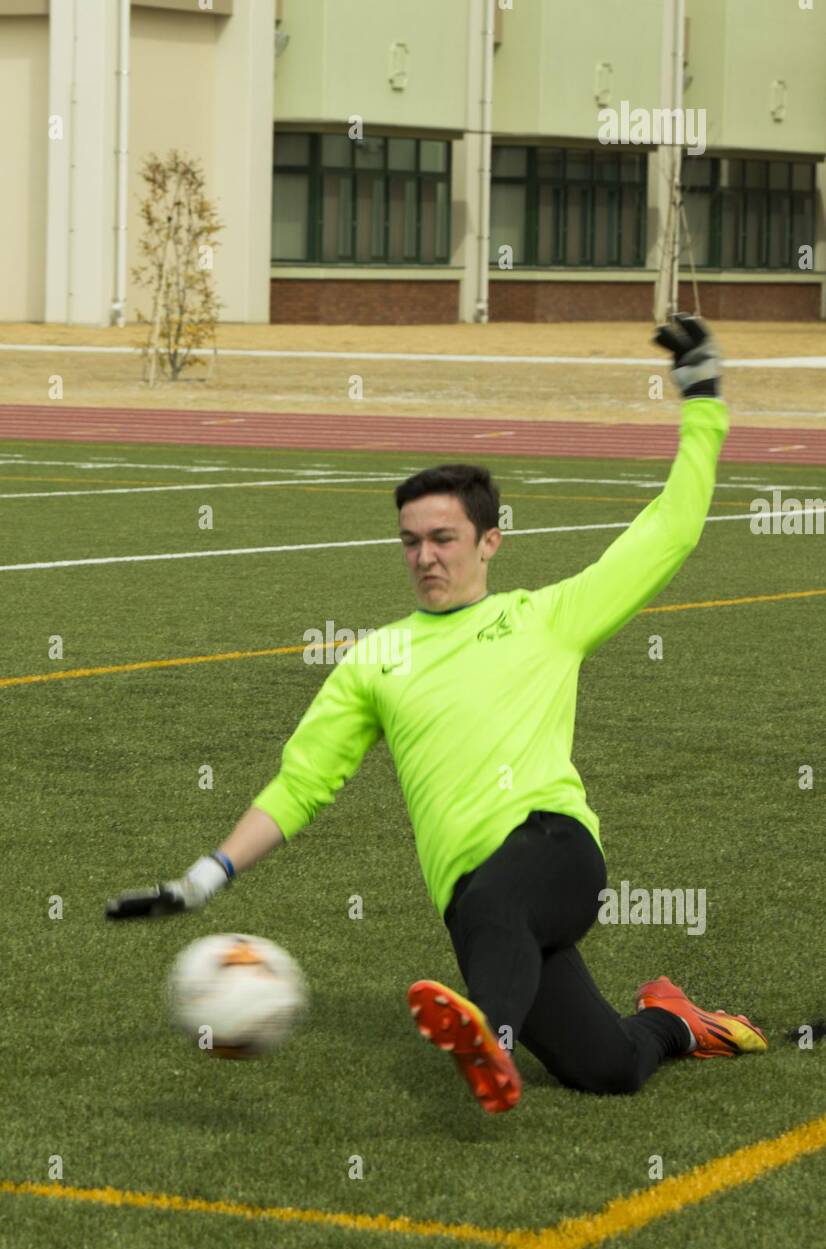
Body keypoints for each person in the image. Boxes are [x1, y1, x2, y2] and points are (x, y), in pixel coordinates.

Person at [107, 315, 767, 1114]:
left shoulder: (545, 617)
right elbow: (301, 785)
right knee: (608, 1070)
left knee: (498, 909)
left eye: (444, 538)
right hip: (478, 910)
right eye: (410, 541)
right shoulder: (373, 659)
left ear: (490, 541)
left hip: (555, 854)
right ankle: (673, 1020)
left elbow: (671, 529)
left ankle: (491, 1035)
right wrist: (199, 881)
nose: (425, 557)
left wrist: (702, 398)